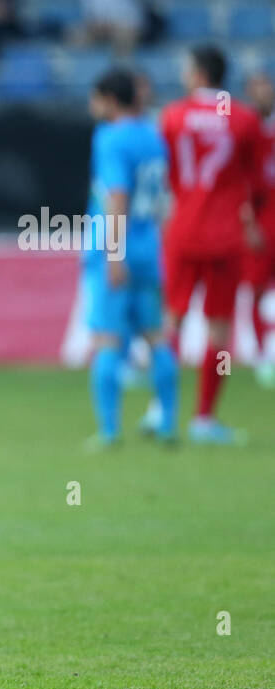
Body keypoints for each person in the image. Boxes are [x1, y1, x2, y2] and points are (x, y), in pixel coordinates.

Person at [159, 44, 264, 444]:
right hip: (225, 236)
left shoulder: (172, 117)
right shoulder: (244, 119)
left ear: (200, 73)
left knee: (170, 322)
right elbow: (254, 183)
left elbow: (163, 173)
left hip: (182, 230)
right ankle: (204, 417)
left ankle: (161, 409)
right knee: (219, 334)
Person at [83, 67, 177, 449]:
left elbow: (116, 197)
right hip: (147, 247)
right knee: (155, 337)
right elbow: (163, 199)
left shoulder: (109, 139)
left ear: (107, 98)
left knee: (107, 339)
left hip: (117, 249)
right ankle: (169, 423)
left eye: (95, 97)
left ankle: (109, 431)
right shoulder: (154, 137)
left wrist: (114, 255)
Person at [241, 71, 275, 388]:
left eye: (266, 87)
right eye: (257, 88)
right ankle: (263, 355)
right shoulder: (245, 131)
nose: (263, 93)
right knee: (256, 290)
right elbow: (240, 185)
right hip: (262, 224)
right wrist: (248, 222)